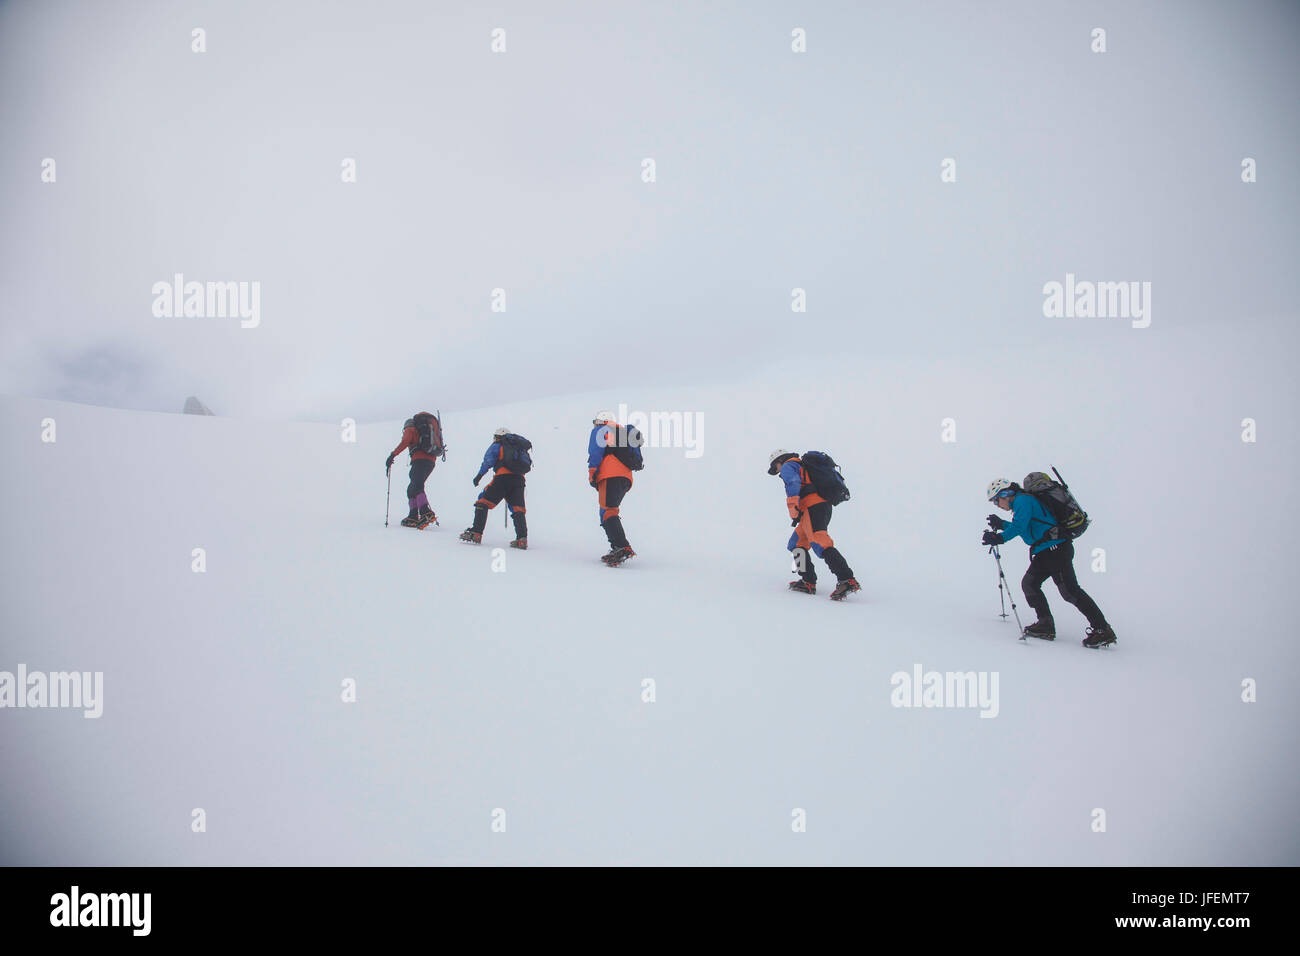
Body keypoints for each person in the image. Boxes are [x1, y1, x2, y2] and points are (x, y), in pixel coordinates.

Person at [981, 479, 1116, 647]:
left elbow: (1019, 527)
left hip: (1055, 550)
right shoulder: (1021, 504)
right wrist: (1002, 525)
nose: (997, 505)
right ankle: (1045, 625)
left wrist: (1000, 537)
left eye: (996, 500)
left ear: (1005, 494)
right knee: (1030, 584)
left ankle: (1102, 629)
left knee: (1070, 591)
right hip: (1046, 551)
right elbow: (1028, 531)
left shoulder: (1023, 500)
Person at [767, 450, 860, 600]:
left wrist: (793, 508)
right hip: (815, 508)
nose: (777, 472)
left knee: (820, 543)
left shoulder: (788, 465)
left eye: (775, 468)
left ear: (778, 461)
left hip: (812, 507)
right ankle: (808, 581)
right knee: (796, 544)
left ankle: (847, 579)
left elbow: (793, 482)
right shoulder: (801, 465)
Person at [459, 427, 529, 548]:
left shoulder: (498, 445)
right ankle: (522, 539)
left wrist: (479, 476)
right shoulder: (520, 447)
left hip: (502, 478)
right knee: (518, 509)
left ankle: (476, 532)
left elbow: (488, 461)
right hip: (519, 480)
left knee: (483, 502)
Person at [588, 410, 637, 565]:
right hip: (626, 477)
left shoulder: (601, 430)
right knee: (608, 510)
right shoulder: (623, 433)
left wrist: (592, 472)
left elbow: (595, 451)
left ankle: (622, 546)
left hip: (610, 474)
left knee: (608, 511)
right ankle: (617, 546)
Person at [385, 412, 441, 528]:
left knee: (416, 485)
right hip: (430, 461)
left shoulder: (410, 429)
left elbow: (405, 441)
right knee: (412, 487)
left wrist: (392, 455)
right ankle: (413, 515)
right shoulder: (422, 430)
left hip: (420, 459)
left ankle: (425, 512)